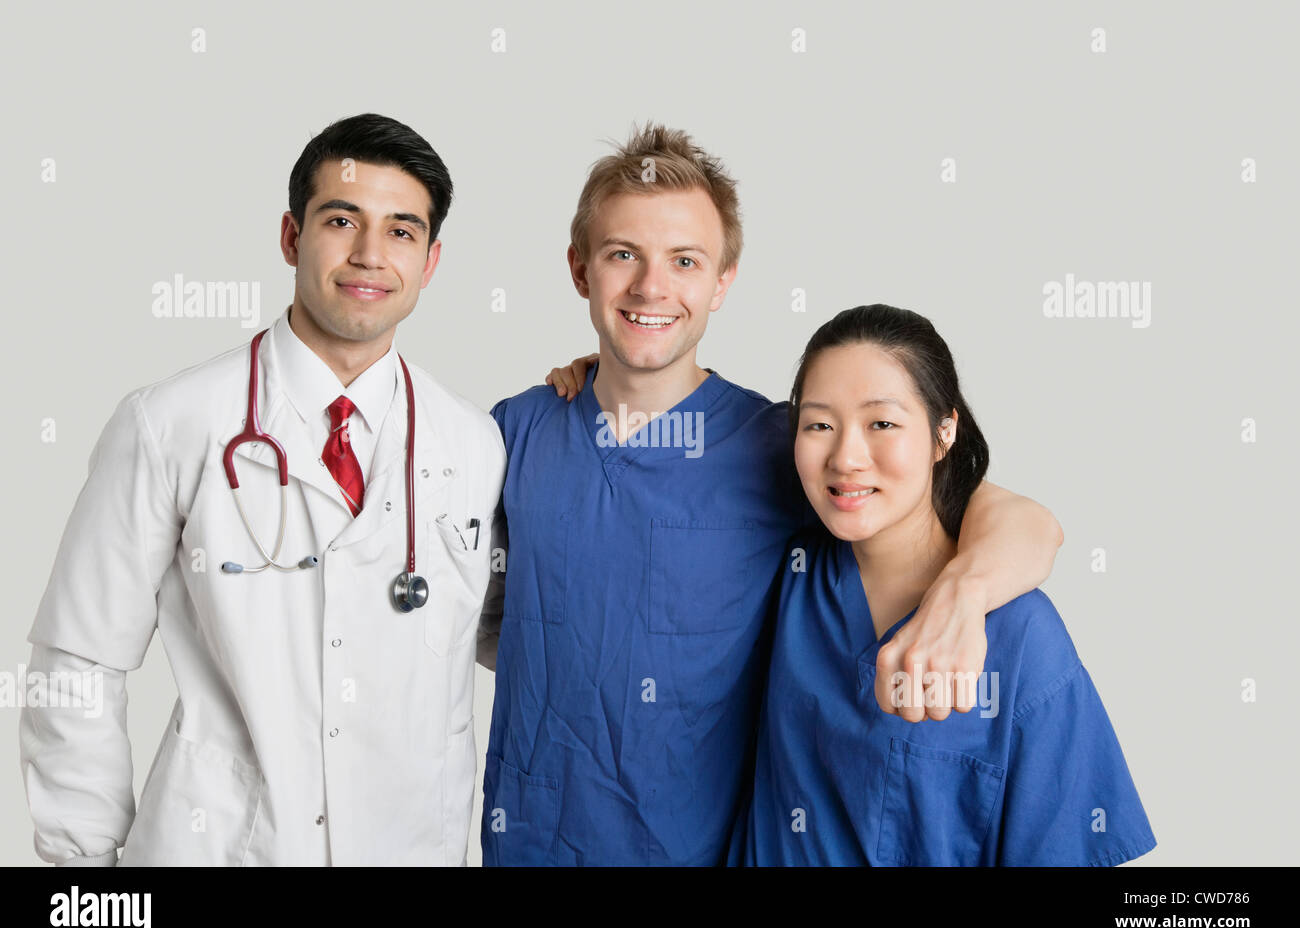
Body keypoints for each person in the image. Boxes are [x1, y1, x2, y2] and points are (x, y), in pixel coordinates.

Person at [478, 124, 1065, 865]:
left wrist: (963, 595)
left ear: (722, 281)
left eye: (684, 261)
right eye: (622, 254)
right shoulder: (517, 431)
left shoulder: (784, 445)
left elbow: (1019, 520)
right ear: (579, 268)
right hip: (526, 845)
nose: (651, 287)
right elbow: (486, 622)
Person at [19, 113, 506, 866]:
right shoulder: (171, 422)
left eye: (402, 231)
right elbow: (79, 660)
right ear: (290, 236)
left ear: (431, 260)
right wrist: (83, 877)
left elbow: (508, 637)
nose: (370, 254)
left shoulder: (474, 442)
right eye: (342, 220)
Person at [737, 304, 1156, 865]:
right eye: (819, 425)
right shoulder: (787, 571)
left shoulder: (1023, 635)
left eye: (882, 423)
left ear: (944, 432)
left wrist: (963, 596)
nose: (846, 457)